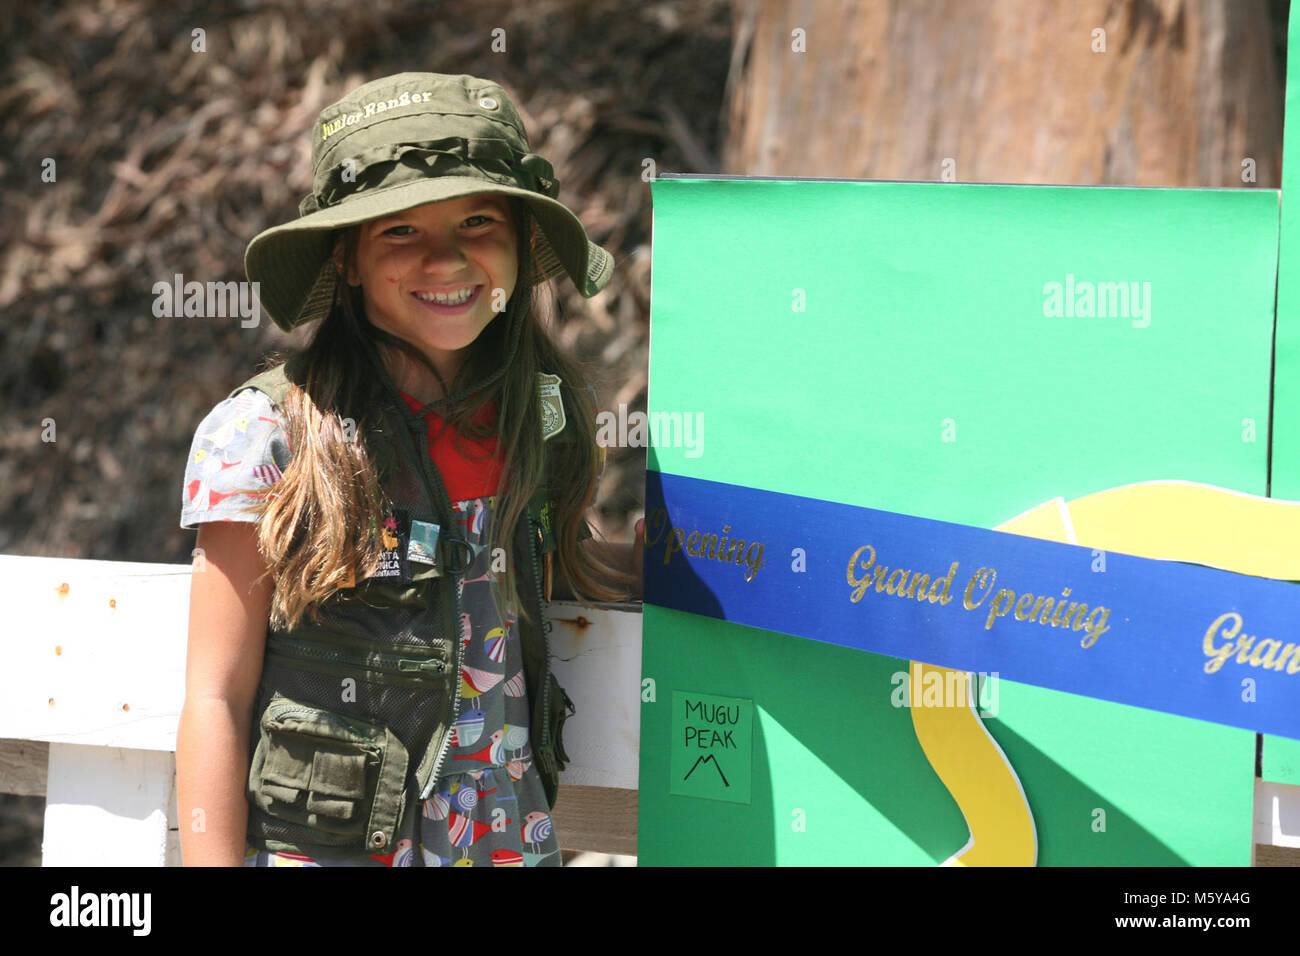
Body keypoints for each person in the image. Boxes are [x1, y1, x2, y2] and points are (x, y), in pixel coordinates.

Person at [176, 72, 641, 867]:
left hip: (500, 842)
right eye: (399, 231)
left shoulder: (544, 414)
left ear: (522, 244)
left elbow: (543, 571)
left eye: (478, 220)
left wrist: (661, 562)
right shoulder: (267, 435)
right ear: (347, 259)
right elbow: (214, 696)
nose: (446, 258)